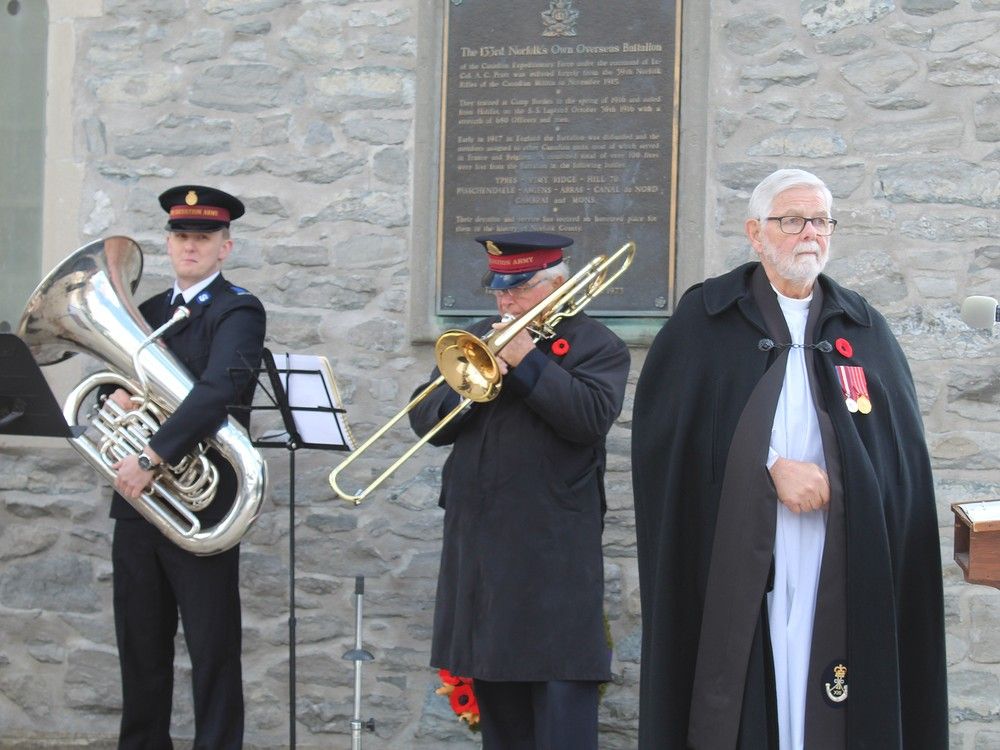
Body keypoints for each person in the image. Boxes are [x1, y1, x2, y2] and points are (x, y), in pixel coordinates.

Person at [631, 168, 948, 749]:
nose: (811, 233)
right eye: (793, 220)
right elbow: (668, 444)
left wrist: (847, 479)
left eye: (822, 221)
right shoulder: (706, 322)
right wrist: (766, 468)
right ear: (756, 233)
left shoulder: (862, 325)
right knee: (757, 678)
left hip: (836, 549)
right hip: (742, 550)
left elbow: (899, 460)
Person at [409, 231, 630, 749]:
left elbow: (589, 418)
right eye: (499, 288)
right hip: (483, 561)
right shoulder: (477, 338)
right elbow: (425, 421)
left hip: (552, 565)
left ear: (556, 283)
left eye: (518, 288)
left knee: (560, 723)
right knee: (502, 727)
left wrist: (528, 361)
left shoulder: (596, 345)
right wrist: (475, 384)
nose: (504, 300)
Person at [108, 185, 266, 749]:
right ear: (169, 243)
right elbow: (120, 387)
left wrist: (154, 454)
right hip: (138, 506)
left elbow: (220, 389)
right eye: (181, 237)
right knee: (140, 650)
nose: (190, 247)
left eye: (203, 238)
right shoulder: (144, 312)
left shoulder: (239, 310)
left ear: (225, 247)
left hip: (204, 507)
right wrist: (117, 403)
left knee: (212, 650)